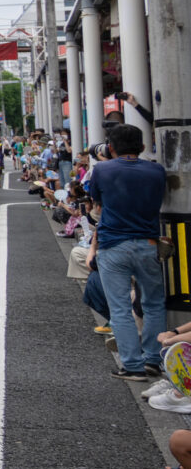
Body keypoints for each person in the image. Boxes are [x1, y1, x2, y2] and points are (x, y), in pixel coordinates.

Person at [87, 123, 169, 379]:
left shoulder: (102, 169)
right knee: (154, 304)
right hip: (149, 244)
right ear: (143, 147)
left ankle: (132, 365)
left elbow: (96, 202)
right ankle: (153, 361)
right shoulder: (157, 171)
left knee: (120, 306)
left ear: (110, 148)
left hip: (114, 244)